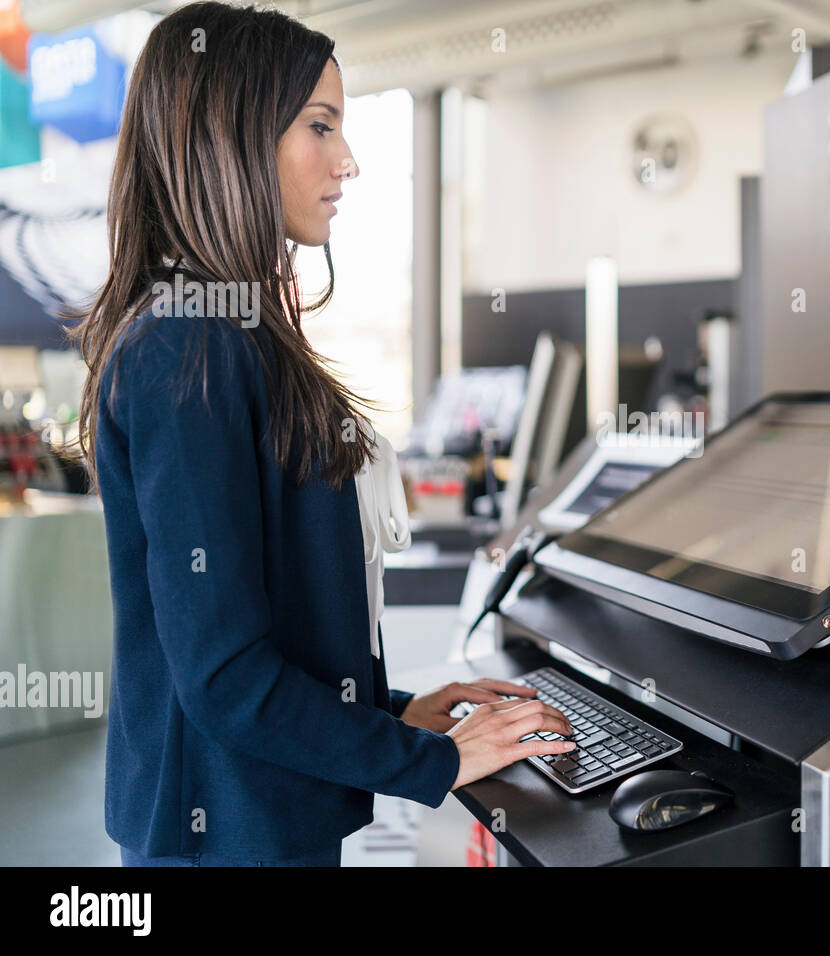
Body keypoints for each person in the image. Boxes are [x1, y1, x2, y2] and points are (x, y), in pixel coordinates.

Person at [68, 1, 576, 867]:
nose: (347, 160)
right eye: (320, 126)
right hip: (224, 834)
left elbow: (280, 621)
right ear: (231, 137)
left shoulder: (233, 334)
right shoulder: (185, 345)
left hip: (263, 814)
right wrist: (431, 761)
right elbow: (226, 677)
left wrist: (389, 712)